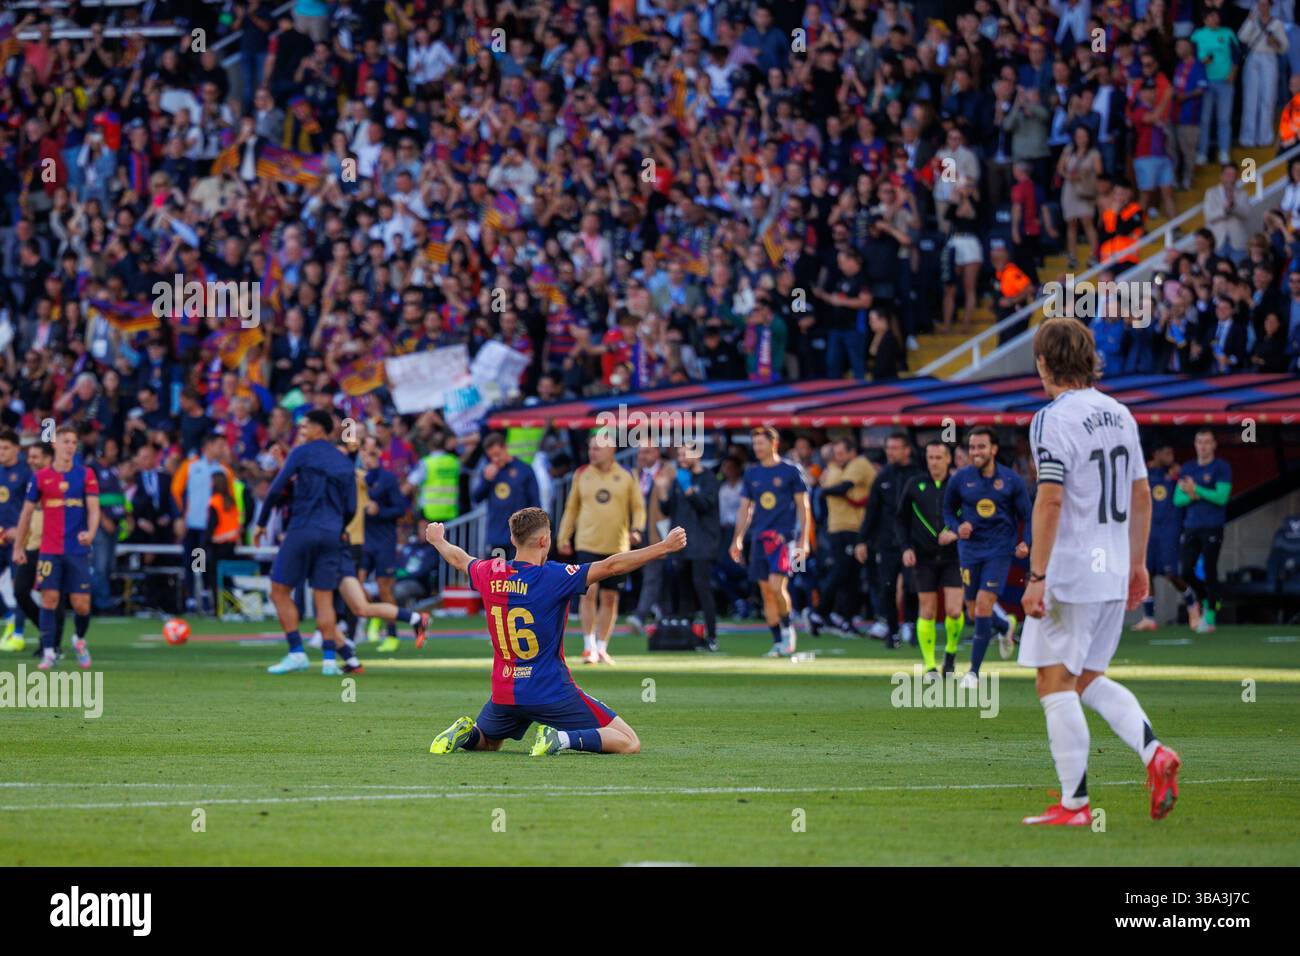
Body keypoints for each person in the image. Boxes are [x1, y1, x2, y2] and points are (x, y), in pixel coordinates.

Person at [1019, 317, 1181, 826]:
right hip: (1111, 568)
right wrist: (1137, 563)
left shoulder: (1052, 418)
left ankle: (1075, 805)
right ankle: (1154, 752)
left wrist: (1037, 575)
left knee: (1054, 683)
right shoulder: (1120, 413)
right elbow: (1140, 494)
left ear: (1044, 362)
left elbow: (1049, 499)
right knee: (1088, 678)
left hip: (1070, 570)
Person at [425, 507, 686, 756]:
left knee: (489, 742)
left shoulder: (490, 572)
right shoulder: (553, 576)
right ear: (544, 540)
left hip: (504, 693)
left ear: (513, 540)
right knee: (629, 741)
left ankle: (466, 734)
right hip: (550, 691)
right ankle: (561, 738)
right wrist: (664, 547)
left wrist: (439, 541)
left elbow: (459, 559)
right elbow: (611, 566)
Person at [254, 409, 357, 675]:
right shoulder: (345, 462)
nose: (300, 431)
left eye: (305, 427)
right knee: (323, 597)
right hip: (332, 533)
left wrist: (262, 522)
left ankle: (297, 652)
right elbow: (352, 507)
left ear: (320, 429)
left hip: (302, 528)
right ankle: (329, 661)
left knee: (278, 589)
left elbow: (276, 488)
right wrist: (339, 527)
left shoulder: (301, 453)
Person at [941, 427, 1031, 686]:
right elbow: (948, 510)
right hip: (969, 551)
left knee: (982, 606)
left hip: (999, 550)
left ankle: (973, 673)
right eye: (972, 447)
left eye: (981, 447)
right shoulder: (960, 479)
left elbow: (1027, 514)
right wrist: (958, 527)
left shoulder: (1011, 480)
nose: (975, 452)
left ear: (994, 449)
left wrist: (1026, 541)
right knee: (972, 610)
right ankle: (1005, 626)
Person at [11, 426, 99, 671]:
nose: (71, 446)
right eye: (66, 441)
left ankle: (79, 639)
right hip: (49, 549)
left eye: (74, 442)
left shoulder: (86, 474)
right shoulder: (40, 478)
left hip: (77, 549)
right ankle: (49, 651)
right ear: (56, 445)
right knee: (49, 599)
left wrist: (90, 533)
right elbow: (26, 514)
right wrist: (18, 547)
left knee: (82, 604)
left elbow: (93, 509)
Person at [556, 430, 645, 665]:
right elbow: (571, 507)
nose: (591, 452)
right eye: (590, 448)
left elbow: (638, 507)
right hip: (587, 543)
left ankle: (603, 646)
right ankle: (589, 646)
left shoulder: (627, 475)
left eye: (596, 448)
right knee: (588, 594)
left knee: (610, 598)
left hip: (617, 545)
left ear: (611, 450)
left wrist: (637, 529)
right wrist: (563, 536)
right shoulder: (582, 474)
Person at [730, 426, 811, 657]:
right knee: (766, 591)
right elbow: (745, 509)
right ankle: (777, 642)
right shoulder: (752, 473)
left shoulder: (790, 471)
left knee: (777, 586)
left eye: (761, 443)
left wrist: (803, 541)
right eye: (754, 444)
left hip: (783, 540)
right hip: (759, 539)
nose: (757, 448)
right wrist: (737, 539)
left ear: (773, 444)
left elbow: (803, 507)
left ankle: (788, 630)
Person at [897, 441, 964, 676]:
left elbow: (972, 516)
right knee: (927, 610)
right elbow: (901, 519)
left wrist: (955, 532)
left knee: (955, 609)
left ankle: (951, 653)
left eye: (938, 457)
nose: (933, 462)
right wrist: (906, 547)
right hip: (923, 557)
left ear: (948, 459)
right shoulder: (916, 484)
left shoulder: (959, 485)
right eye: (930, 457)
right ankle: (929, 665)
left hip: (953, 556)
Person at [857, 432, 921, 647]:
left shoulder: (918, 475)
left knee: (912, 586)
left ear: (907, 450)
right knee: (887, 586)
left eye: (895, 448)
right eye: (888, 448)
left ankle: (910, 625)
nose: (890, 452)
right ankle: (892, 630)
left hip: (913, 542)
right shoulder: (883, 476)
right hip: (887, 543)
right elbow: (871, 511)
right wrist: (862, 540)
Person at [656, 441, 721, 651]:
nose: (681, 459)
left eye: (686, 455)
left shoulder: (709, 478)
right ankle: (687, 635)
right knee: (682, 588)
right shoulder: (678, 479)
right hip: (681, 544)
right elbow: (668, 510)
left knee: (702, 587)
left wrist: (689, 490)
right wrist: (663, 492)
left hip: (702, 542)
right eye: (679, 455)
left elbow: (705, 506)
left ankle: (712, 637)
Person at [1133, 443, 1201, 631]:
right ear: (1155, 454)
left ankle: (1192, 606)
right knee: (1148, 573)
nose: (1171, 455)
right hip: (1148, 529)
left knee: (1172, 573)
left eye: (1172, 452)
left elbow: (1190, 491)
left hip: (1170, 530)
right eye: (1167, 452)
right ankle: (1148, 617)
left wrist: (1179, 478)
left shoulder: (1176, 473)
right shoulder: (1142, 472)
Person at [814, 437, 876, 637]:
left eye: (841, 454)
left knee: (850, 574)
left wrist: (823, 491)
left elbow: (842, 488)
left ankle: (838, 615)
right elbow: (840, 488)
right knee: (844, 572)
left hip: (853, 527)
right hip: (843, 527)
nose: (837, 458)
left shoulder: (856, 465)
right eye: (835, 455)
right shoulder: (839, 468)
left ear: (852, 452)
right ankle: (824, 612)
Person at [1174, 429, 1232, 634]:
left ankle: (1210, 616)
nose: (1203, 446)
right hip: (1191, 526)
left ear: (1214, 444)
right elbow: (1178, 500)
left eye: (1207, 442)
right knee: (1185, 571)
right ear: (1195, 444)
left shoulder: (1222, 467)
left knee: (1210, 569)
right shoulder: (1188, 468)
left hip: (1212, 525)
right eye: (1200, 442)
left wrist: (1196, 490)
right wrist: (1193, 495)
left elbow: (1222, 497)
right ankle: (1204, 598)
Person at [361, 434, 412, 652]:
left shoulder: (388, 479)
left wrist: (379, 510)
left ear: (379, 454)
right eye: (365, 452)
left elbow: (400, 509)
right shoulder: (357, 478)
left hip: (383, 540)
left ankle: (391, 634)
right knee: (355, 582)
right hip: (362, 539)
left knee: (384, 587)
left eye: (373, 452)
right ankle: (375, 614)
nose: (368, 457)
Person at [470, 432, 540, 562]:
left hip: (520, 536)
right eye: (491, 457)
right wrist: (486, 480)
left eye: (497, 455)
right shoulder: (489, 472)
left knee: (517, 579)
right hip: (496, 536)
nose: (495, 460)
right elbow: (476, 498)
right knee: (497, 578)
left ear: (505, 448)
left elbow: (535, 503)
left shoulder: (524, 469)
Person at [0, 429, 33, 646]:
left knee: (18, 587)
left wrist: (20, 531)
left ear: (17, 449)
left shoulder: (27, 473)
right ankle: (9, 617)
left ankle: (18, 634)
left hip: (19, 538)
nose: (1, 452)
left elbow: (32, 507)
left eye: (5, 448)